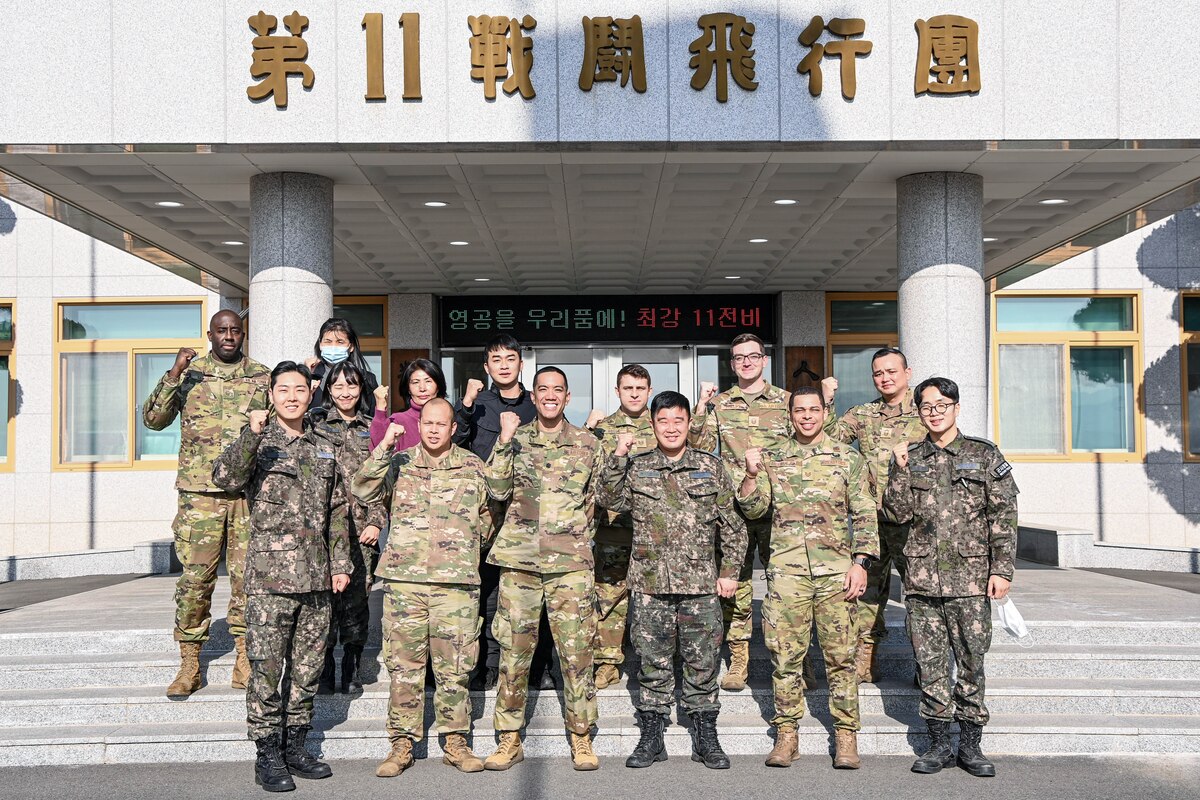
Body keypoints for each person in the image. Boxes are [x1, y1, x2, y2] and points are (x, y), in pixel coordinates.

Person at [212, 361, 352, 793]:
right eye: (283, 390)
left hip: (316, 579)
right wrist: (251, 435)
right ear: (271, 394)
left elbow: (337, 510)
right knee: (267, 670)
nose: (292, 397)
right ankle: (266, 753)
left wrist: (342, 563)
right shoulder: (258, 441)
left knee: (307, 670)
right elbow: (225, 478)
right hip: (271, 580)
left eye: (299, 389)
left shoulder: (324, 446)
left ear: (311, 394)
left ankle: (296, 745)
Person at [353, 399, 508, 778]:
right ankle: (401, 744)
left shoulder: (473, 467)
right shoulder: (400, 463)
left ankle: (456, 742)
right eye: (427, 423)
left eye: (442, 424)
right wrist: (386, 444)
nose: (434, 429)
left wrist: (462, 550)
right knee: (404, 666)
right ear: (418, 425)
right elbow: (362, 488)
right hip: (406, 584)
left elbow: (492, 515)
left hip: (455, 586)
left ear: (454, 428)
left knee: (455, 668)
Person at [597, 391, 746, 771]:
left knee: (703, 663)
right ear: (653, 424)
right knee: (651, 664)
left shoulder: (710, 467)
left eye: (678, 420)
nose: (671, 427)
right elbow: (607, 497)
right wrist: (617, 455)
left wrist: (729, 572)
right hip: (649, 585)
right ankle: (652, 735)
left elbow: (733, 525)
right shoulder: (637, 465)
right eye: (663, 421)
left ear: (687, 423)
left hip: (700, 586)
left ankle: (705, 735)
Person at [882, 377, 1018, 778]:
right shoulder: (910, 456)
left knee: (972, 663)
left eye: (942, 405)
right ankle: (939, 743)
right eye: (926, 406)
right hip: (923, 580)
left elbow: (1004, 518)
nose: (934, 412)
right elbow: (896, 513)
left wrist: (1002, 569)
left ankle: (971, 746)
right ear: (918, 412)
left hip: (972, 579)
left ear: (956, 408)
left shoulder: (983, 454)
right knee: (930, 664)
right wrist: (899, 471)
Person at [738, 386, 878, 770]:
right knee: (785, 660)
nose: (806, 416)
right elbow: (754, 509)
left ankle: (846, 737)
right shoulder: (773, 457)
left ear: (823, 412)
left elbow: (865, 512)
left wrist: (861, 563)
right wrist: (750, 475)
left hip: (837, 574)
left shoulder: (847, 457)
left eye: (813, 409)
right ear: (790, 413)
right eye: (799, 410)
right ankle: (787, 736)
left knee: (841, 658)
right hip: (787, 575)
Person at [142, 309, 270, 698]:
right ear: (210, 334)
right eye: (221, 331)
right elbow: (153, 420)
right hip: (199, 496)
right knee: (195, 581)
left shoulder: (262, 377)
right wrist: (174, 374)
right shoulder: (190, 373)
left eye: (235, 330)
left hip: (248, 495)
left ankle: (245, 659)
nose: (229, 336)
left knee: (249, 581)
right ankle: (189, 664)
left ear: (242, 333)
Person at [482, 367, 603, 772]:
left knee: (576, 653)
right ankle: (509, 738)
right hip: (520, 563)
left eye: (558, 390)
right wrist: (502, 440)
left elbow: (595, 502)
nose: (550, 396)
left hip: (570, 566)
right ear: (533, 397)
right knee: (514, 655)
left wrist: (575, 541)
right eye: (543, 390)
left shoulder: (588, 443)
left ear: (568, 398)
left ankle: (581, 738)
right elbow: (496, 490)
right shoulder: (514, 441)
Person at [687, 333, 791, 691]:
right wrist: (701, 406)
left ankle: (794, 659)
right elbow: (697, 445)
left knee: (785, 584)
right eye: (738, 358)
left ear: (764, 360)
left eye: (752, 356)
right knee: (737, 583)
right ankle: (739, 660)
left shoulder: (786, 402)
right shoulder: (722, 403)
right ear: (732, 365)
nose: (746, 363)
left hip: (778, 508)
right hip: (734, 509)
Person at [450, 335, 553, 693]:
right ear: (486, 366)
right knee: (485, 589)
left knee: (529, 589)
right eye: (497, 360)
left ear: (521, 363)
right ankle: (484, 663)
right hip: (484, 512)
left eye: (511, 358)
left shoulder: (535, 403)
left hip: (527, 511)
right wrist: (465, 403)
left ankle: (538, 664)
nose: (504, 365)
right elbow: (457, 441)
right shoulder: (478, 404)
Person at [821, 347, 926, 681]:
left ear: (907, 373)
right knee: (866, 593)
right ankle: (866, 659)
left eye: (892, 371)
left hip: (916, 522)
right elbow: (828, 437)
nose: (885, 378)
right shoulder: (864, 414)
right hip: (874, 522)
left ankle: (926, 666)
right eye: (878, 373)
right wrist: (826, 400)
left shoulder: (927, 413)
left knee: (920, 594)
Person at [311, 361, 387, 695]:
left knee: (357, 601)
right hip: (322, 529)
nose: (345, 392)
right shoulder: (314, 425)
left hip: (360, 529)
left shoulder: (371, 427)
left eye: (352, 386)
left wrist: (376, 519)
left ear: (362, 390)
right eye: (338, 386)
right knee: (324, 600)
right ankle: (325, 667)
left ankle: (352, 667)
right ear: (328, 389)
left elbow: (383, 477)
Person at [583, 364, 657, 690]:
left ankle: (653, 664)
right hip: (613, 528)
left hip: (652, 532)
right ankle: (608, 662)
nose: (635, 394)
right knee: (609, 597)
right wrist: (588, 430)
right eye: (628, 388)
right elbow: (586, 472)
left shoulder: (662, 425)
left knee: (654, 600)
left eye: (640, 388)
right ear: (617, 391)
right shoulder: (602, 429)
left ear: (649, 391)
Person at [369, 357, 447, 452]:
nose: (422, 388)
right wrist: (380, 410)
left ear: (438, 386)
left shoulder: (449, 418)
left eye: (428, 381)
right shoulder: (397, 420)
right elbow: (378, 454)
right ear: (408, 389)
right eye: (415, 382)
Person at [304, 318, 380, 414]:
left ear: (351, 346)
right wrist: (306, 376)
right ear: (320, 344)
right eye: (328, 341)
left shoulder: (367, 379)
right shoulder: (309, 375)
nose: (333, 347)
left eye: (340, 342)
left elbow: (373, 418)